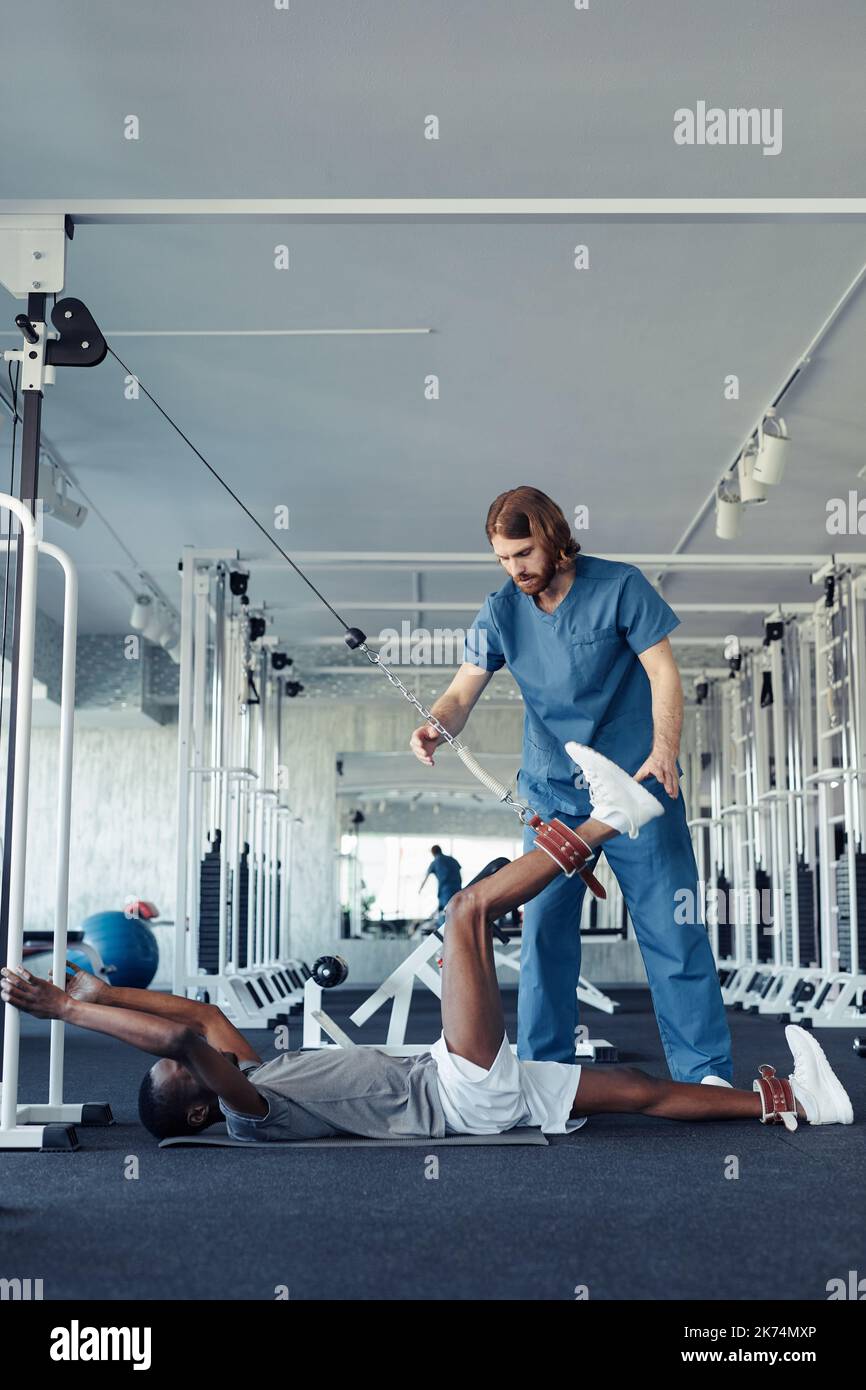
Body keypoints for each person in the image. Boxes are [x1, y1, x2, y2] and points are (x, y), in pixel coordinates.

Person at [2, 747, 852, 1143]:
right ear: (196, 1105)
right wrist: (73, 1010)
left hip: (469, 1087)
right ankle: (609, 819)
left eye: (182, 1066)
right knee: (466, 916)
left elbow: (195, 1011)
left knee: (635, 1089)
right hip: (457, 1094)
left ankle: (791, 1107)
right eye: (182, 1076)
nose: (188, 1061)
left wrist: (98, 990)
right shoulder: (247, 1112)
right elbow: (183, 1039)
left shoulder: (252, 1070)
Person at [410, 485, 733, 1083]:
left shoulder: (620, 587)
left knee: (671, 928)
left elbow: (663, 670)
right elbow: (460, 694)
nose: (517, 569)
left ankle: (705, 1075)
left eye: (525, 553)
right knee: (545, 938)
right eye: (504, 559)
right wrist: (435, 724)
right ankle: (545, 1073)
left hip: (638, 784)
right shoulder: (502, 610)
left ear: (556, 539)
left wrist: (664, 748)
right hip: (552, 792)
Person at [420, 845, 462, 910]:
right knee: (458, 910)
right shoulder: (452, 859)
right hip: (458, 889)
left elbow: (426, 878)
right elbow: (459, 870)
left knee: (447, 912)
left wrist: (420, 889)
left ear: (433, 853)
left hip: (445, 891)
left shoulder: (435, 862)